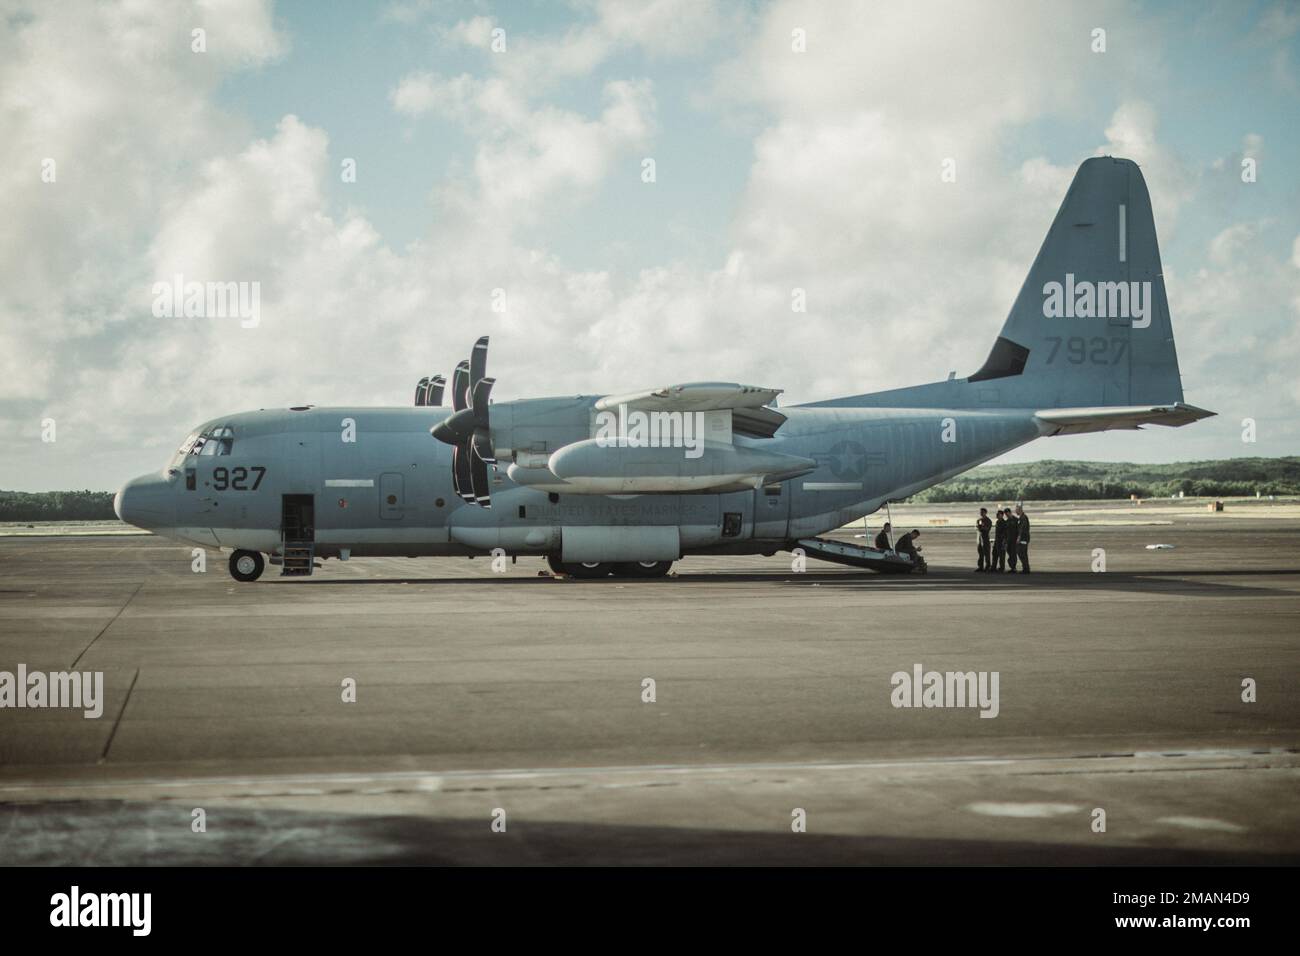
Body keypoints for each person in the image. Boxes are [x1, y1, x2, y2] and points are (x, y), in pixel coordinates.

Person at [1014, 504, 1031, 573]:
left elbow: (1022, 529)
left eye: (1016, 510)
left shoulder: (1023, 518)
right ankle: (1025, 568)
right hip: (1023, 538)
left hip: (1023, 539)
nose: (1015, 511)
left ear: (1020, 510)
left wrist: (1019, 537)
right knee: (1022, 553)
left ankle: (1026, 568)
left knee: (1022, 553)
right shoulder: (1021, 517)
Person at [975, 507, 992, 571]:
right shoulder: (979, 520)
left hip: (985, 539)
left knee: (987, 553)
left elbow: (987, 529)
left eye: (982, 512)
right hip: (979, 539)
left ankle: (988, 566)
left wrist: (982, 526)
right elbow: (977, 528)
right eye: (980, 512)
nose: (981, 513)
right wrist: (979, 527)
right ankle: (980, 566)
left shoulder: (988, 520)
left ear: (985, 513)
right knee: (980, 553)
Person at [1005, 506, 1020, 572]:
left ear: (1010, 513)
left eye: (1007, 514)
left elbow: (1019, 530)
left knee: (1013, 554)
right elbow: (1005, 532)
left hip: (1014, 540)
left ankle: (1013, 567)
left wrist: (1018, 539)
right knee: (1010, 553)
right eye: (1006, 515)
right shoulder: (1007, 521)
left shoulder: (1016, 520)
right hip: (1008, 540)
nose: (1007, 515)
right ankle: (1012, 567)